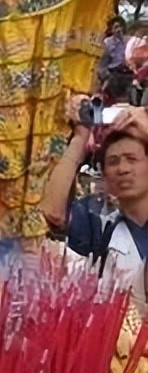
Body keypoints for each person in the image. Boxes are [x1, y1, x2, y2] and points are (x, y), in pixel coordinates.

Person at [43, 105, 148, 314]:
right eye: (113, 162)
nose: (123, 169)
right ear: (105, 179)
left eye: (132, 159)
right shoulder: (101, 231)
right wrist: (80, 138)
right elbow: (53, 210)